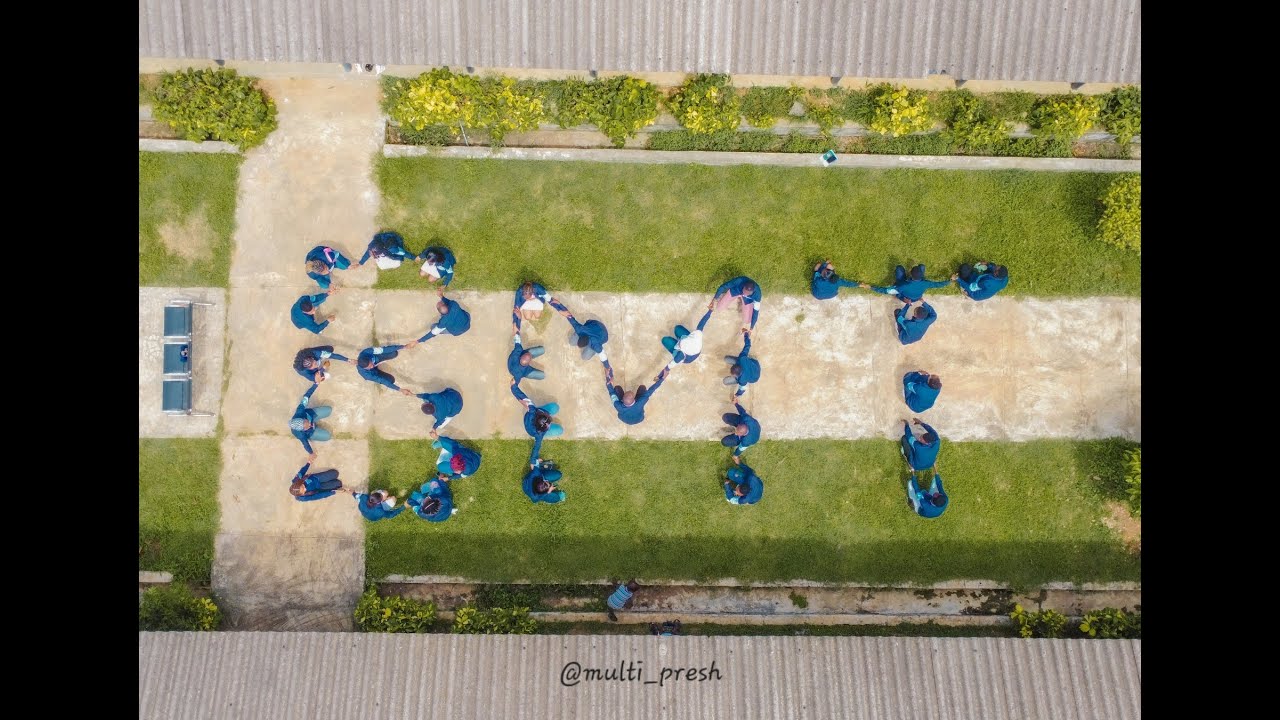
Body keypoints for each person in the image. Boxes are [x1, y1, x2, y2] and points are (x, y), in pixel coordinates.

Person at [511, 380, 563, 461]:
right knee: (560, 430)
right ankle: (552, 427)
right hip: (530, 428)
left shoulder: (532, 410)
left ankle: (547, 416)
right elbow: (536, 447)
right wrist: (533, 460)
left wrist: (513, 386)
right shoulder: (539, 434)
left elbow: (522, 397)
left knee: (555, 407)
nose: (550, 419)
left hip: (531, 418)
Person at [861, 264, 955, 303]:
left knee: (899, 268)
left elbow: (886, 291)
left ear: (910, 274)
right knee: (921, 266)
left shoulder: (903, 286)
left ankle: (902, 275)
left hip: (906, 297)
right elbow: (938, 285)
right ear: (921, 276)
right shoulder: (926, 283)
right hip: (916, 298)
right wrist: (950, 280)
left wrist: (869, 287)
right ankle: (919, 270)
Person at [289, 383, 331, 461]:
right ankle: (314, 435)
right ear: (302, 430)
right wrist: (311, 453)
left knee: (329, 410)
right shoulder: (299, 434)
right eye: (307, 426)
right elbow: (305, 444)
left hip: (312, 415)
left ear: (302, 418)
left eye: (306, 421)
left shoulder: (300, 410)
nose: (310, 424)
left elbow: (307, 396)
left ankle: (315, 423)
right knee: (328, 436)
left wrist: (316, 383)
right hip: (310, 432)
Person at [723, 332, 761, 398]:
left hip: (754, 378)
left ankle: (749, 362)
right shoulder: (742, 358)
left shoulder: (742, 380)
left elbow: (743, 388)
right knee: (726, 358)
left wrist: (737, 395)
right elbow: (747, 345)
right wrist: (746, 334)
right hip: (755, 364)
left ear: (737, 376)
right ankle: (750, 360)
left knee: (725, 381)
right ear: (738, 365)